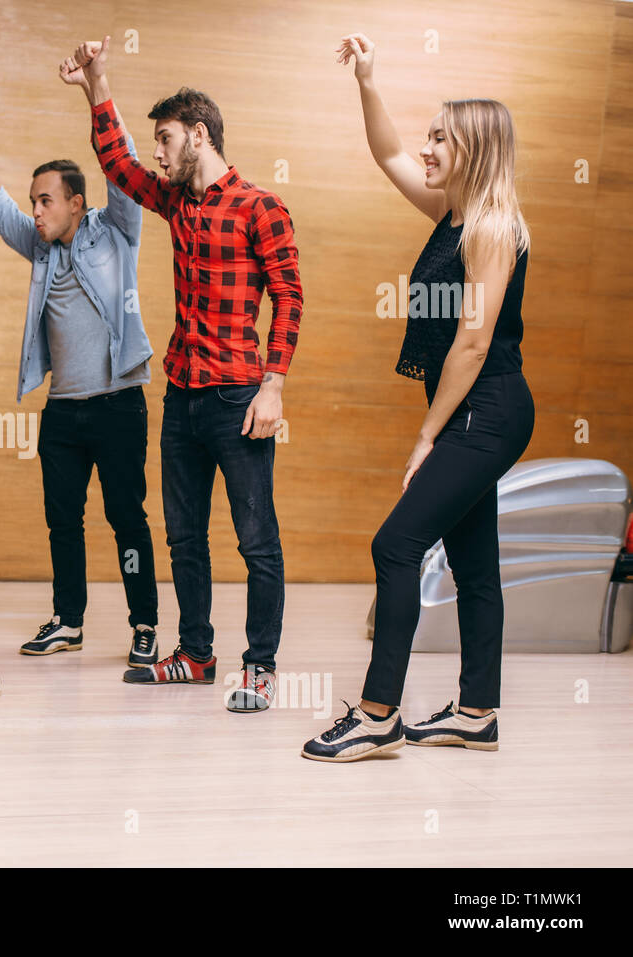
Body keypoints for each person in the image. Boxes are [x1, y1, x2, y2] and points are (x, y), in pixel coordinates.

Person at [302, 35, 535, 761]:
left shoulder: (493, 227)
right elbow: (387, 153)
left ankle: (378, 713)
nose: (427, 148)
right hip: (472, 406)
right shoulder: (452, 210)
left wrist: (428, 434)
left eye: (441, 138)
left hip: (486, 409)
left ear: (475, 150)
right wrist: (368, 81)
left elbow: (472, 342)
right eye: (430, 134)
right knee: (475, 565)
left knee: (395, 542)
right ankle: (477, 711)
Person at [63, 38, 304, 711]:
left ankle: (260, 665)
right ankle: (196, 653)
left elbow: (290, 296)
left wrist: (274, 384)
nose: (159, 153)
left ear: (199, 135)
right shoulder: (178, 205)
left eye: (166, 139)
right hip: (183, 397)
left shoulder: (261, 206)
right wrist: (96, 81)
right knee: (183, 534)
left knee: (257, 539)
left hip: (240, 398)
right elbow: (116, 161)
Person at [0, 88, 160, 668]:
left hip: (119, 405)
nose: (35, 211)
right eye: (33, 202)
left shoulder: (118, 230)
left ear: (76, 203)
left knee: (126, 520)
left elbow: (122, 164)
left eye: (45, 201)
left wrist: (98, 86)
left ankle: (144, 623)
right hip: (65, 413)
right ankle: (69, 620)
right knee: (63, 521)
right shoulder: (41, 250)